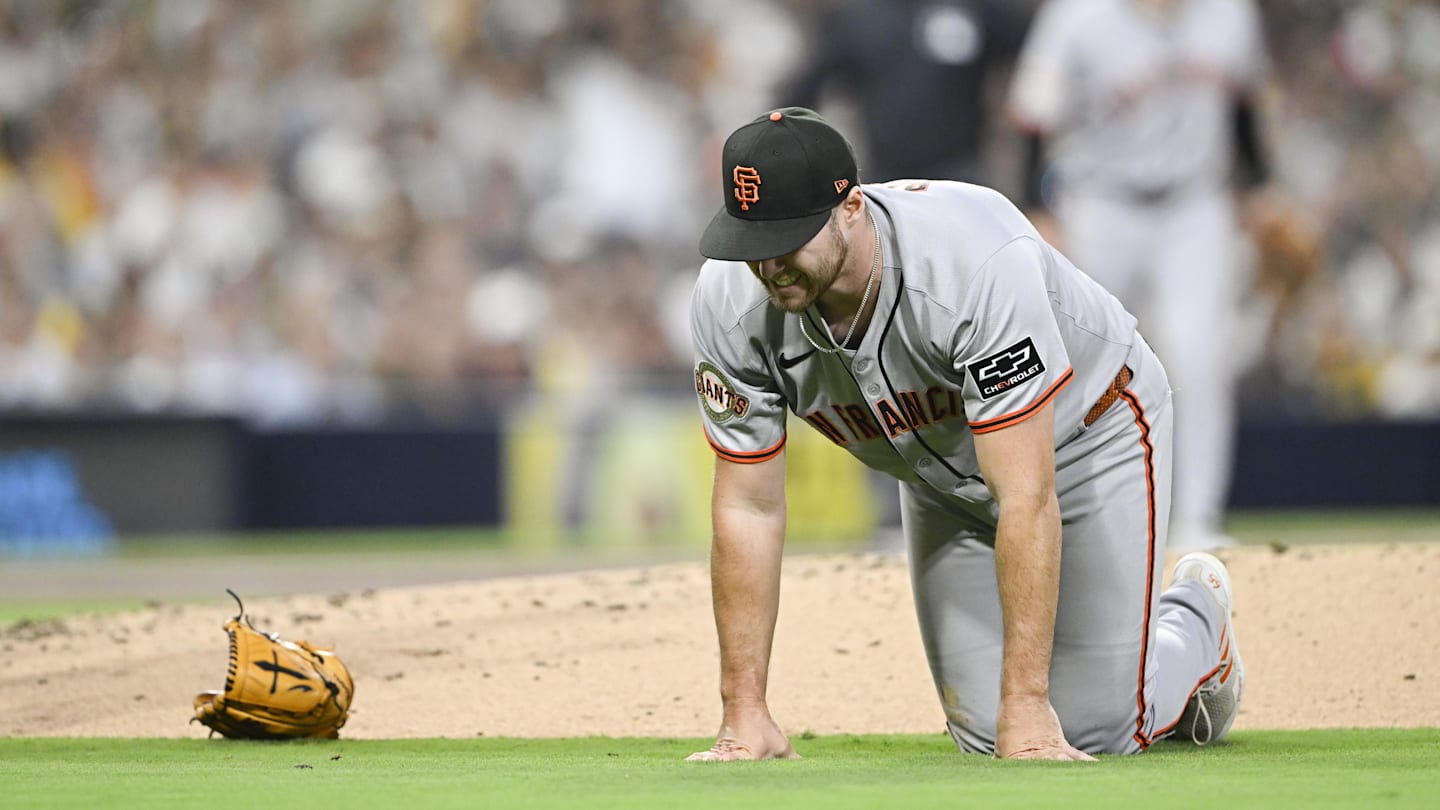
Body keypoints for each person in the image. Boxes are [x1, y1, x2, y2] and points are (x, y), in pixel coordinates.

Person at [685, 107, 1245, 760]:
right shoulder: (729, 302)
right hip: (941, 474)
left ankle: (1196, 627)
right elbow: (748, 507)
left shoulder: (970, 261)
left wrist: (1030, 706)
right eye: (752, 241)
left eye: (788, 237)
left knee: (1094, 730)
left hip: (1087, 439)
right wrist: (743, 712)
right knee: (984, 737)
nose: (768, 264)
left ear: (851, 207)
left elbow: (1027, 495)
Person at [1006, 0, 1275, 551]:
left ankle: (1198, 520)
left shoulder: (1229, 13)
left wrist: (1263, 185)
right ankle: (1071, 514)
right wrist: (1039, 206)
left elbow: (1245, 104)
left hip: (1195, 206)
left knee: (1199, 357)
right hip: (1101, 205)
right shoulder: (1077, 16)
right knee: (1079, 360)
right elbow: (1034, 116)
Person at [780, 0, 1032, 185]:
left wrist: (1033, 182)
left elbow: (1036, 65)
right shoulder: (859, 18)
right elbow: (806, 89)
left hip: (962, 174)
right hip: (887, 178)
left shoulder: (976, 10)